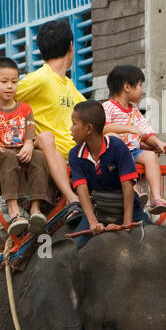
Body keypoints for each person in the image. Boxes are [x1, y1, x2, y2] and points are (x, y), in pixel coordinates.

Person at [0, 57, 53, 237]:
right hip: (0, 153)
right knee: (8, 156)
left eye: (14, 82)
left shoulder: (25, 109)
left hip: (22, 151)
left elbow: (29, 135)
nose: (10, 86)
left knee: (39, 156)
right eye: (4, 82)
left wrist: (28, 145)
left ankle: (35, 209)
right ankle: (14, 211)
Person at [15, 19, 86, 220]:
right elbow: (0, 100)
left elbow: (95, 117)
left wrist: (129, 129)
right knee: (46, 137)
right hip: (51, 154)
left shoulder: (69, 85)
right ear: (71, 46)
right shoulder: (41, 78)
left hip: (78, 154)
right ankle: (72, 199)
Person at [67, 101, 152, 249]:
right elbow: (82, 191)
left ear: (88, 129)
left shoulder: (118, 147)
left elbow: (128, 188)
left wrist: (126, 225)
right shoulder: (75, 155)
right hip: (98, 210)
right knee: (74, 249)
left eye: (74, 124)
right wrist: (93, 222)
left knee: (153, 243)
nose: (70, 130)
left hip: (128, 209)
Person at [102, 64, 166, 216]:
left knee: (150, 156)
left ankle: (157, 198)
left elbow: (145, 132)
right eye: (140, 85)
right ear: (127, 87)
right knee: (113, 139)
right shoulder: (107, 107)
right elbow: (103, 129)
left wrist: (157, 142)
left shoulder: (134, 110)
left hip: (133, 151)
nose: (142, 90)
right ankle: (134, 191)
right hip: (114, 155)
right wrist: (129, 129)